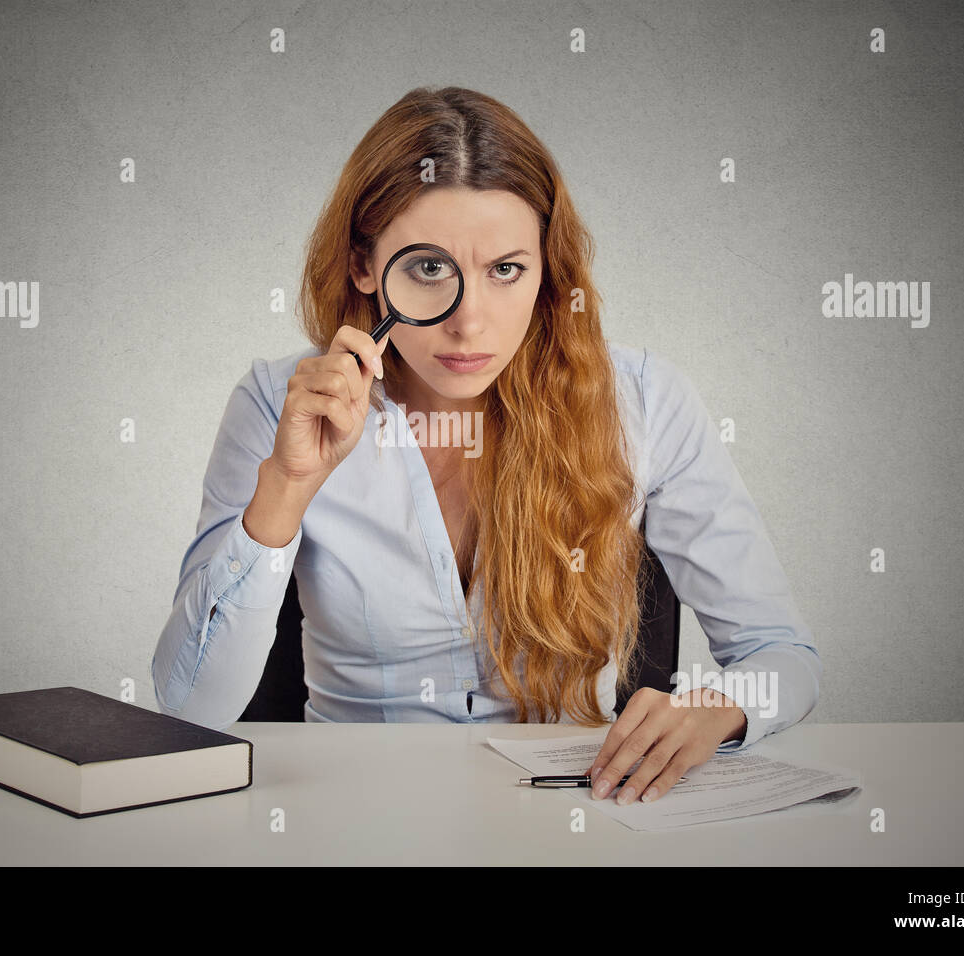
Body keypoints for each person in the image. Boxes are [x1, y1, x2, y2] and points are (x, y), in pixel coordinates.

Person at [152, 86, 821, 806]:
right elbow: (190, 707)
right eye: (430, 269)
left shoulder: (645, 402)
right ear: (363, 267)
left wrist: (714, 708)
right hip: (352, 817)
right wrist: (285, 484)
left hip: (575, 817)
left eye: (506, 270)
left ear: (546, 273)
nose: (469, 323)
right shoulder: (279, 404)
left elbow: (782, 656)